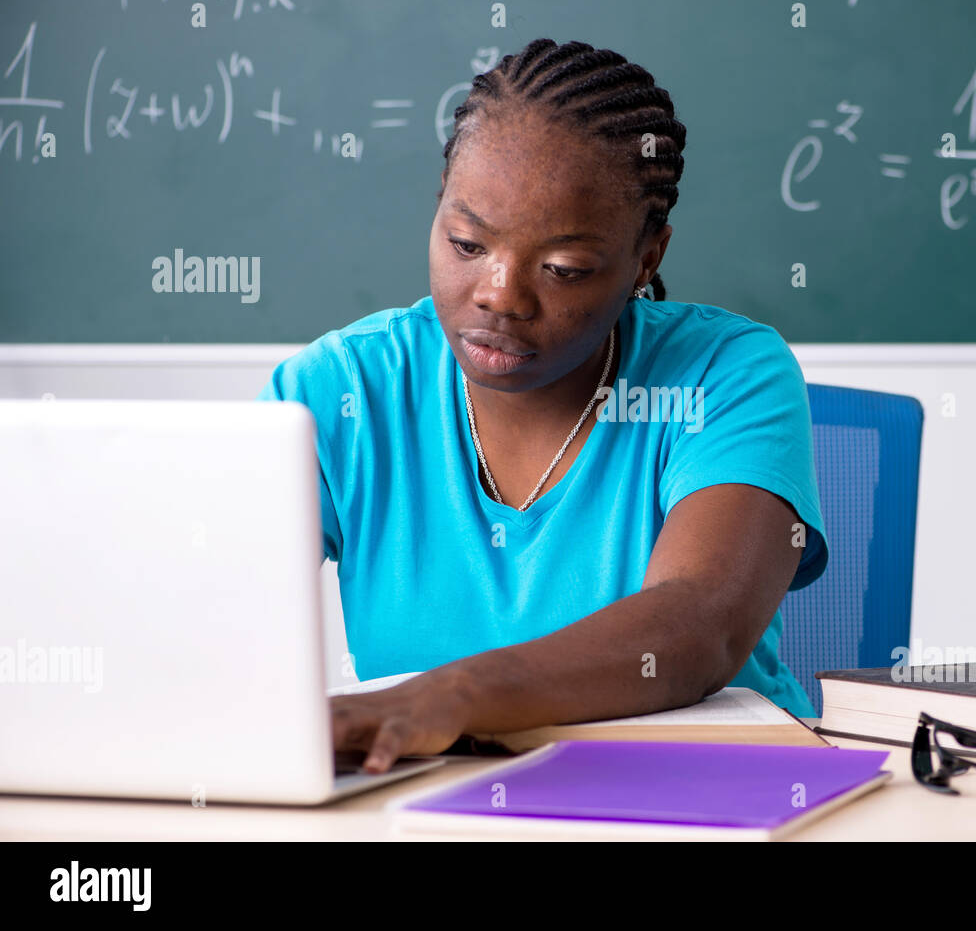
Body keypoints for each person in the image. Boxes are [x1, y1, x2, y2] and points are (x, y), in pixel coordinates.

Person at [258, 39, 828, 772]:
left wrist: (456, 694)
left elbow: (702, 622)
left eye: (563, 268)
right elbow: (202, 602)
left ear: (646, 258)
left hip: (704, 792)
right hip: (417, 807)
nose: (500, 293)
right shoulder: (335, 391)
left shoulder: (728, 373)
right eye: (466, 243)